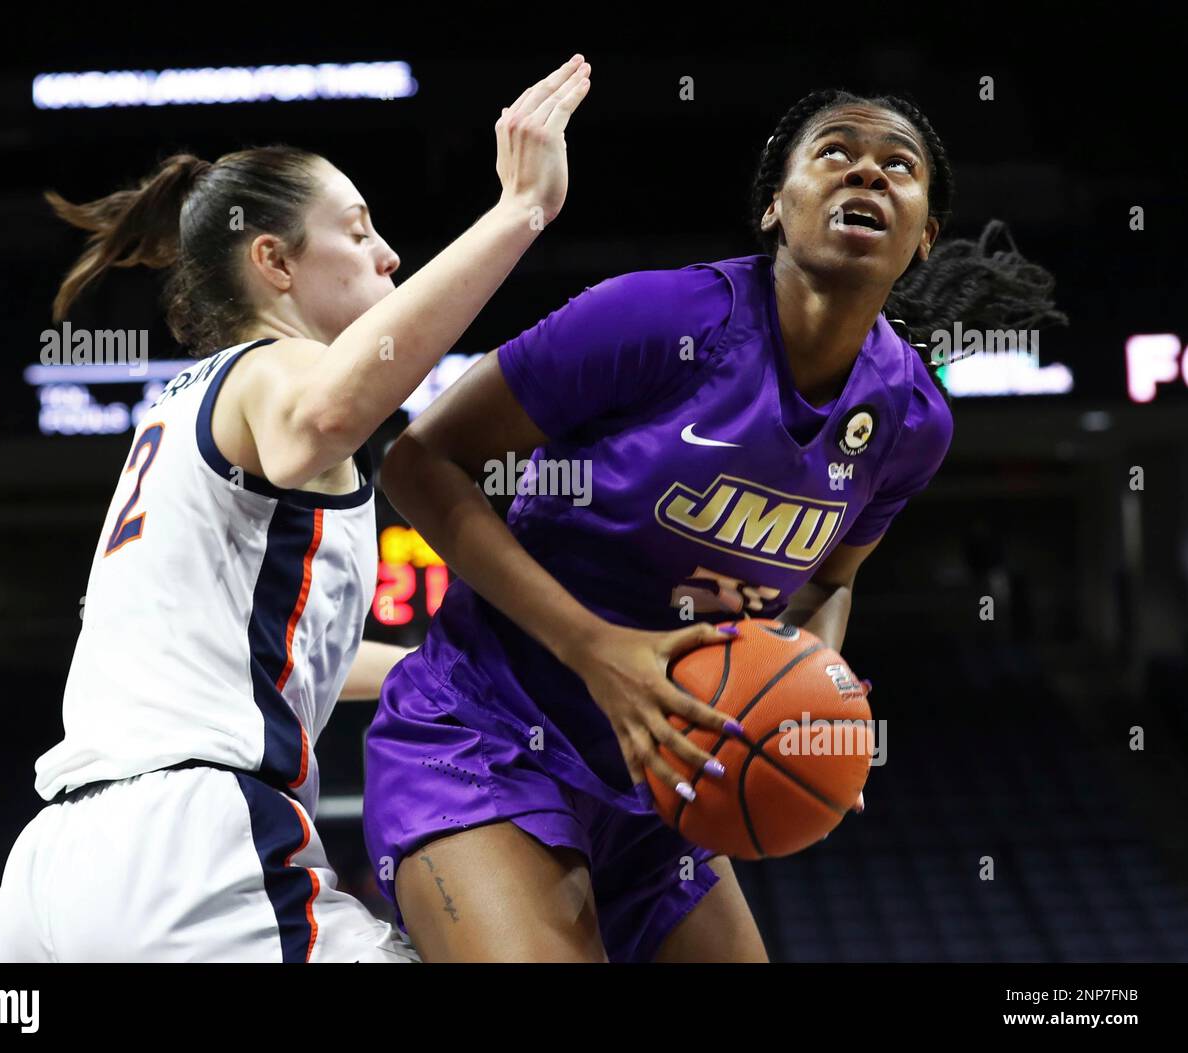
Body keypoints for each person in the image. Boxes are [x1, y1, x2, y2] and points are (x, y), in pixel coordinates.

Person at [363, 88, 1065, 962]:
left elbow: (827, 582)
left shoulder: (912, 423)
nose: (866, 169)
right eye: (834, 151)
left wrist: (820, 701)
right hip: (490, 733)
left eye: (900, 165)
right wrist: (594, 647)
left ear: (923, 237)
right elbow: (419, 464)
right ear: (776, 204)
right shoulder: (657, 319)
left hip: (668, 775)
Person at [0, 55, 592, 962]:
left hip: (52, 874)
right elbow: (326, 414)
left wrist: (483, 679)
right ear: (271, 260)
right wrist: (519, 211)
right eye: (357, 231)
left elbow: (281, 655)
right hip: (185, 852)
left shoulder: (177, 407)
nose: (388, 253)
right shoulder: (274, 371)